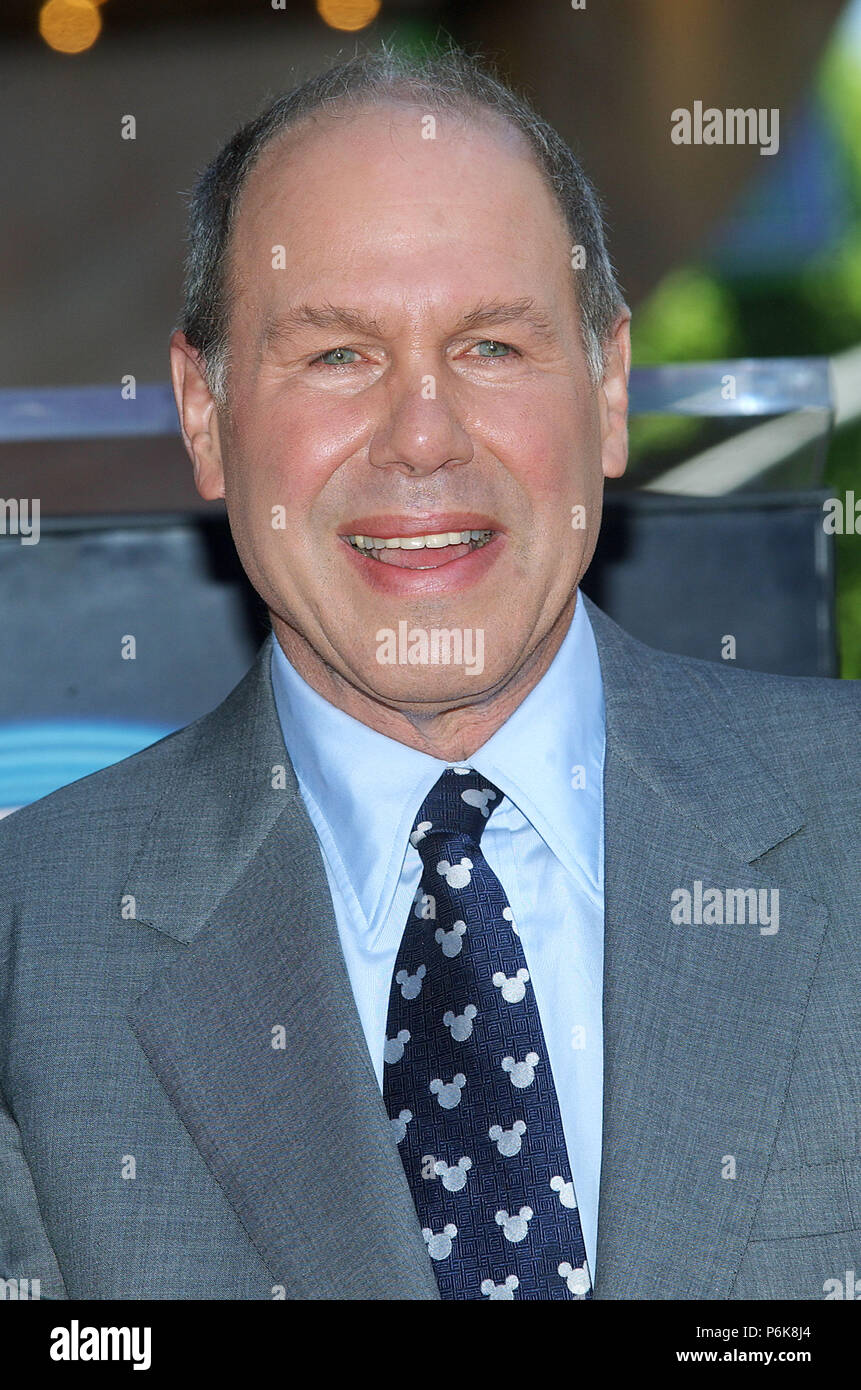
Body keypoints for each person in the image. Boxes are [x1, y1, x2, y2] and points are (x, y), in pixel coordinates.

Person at [1, 46, 858, 1302]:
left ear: (610, 387)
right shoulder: (30, 955)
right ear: (203, 412)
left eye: (495, 346)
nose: (421, 435)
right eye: (338, 354)